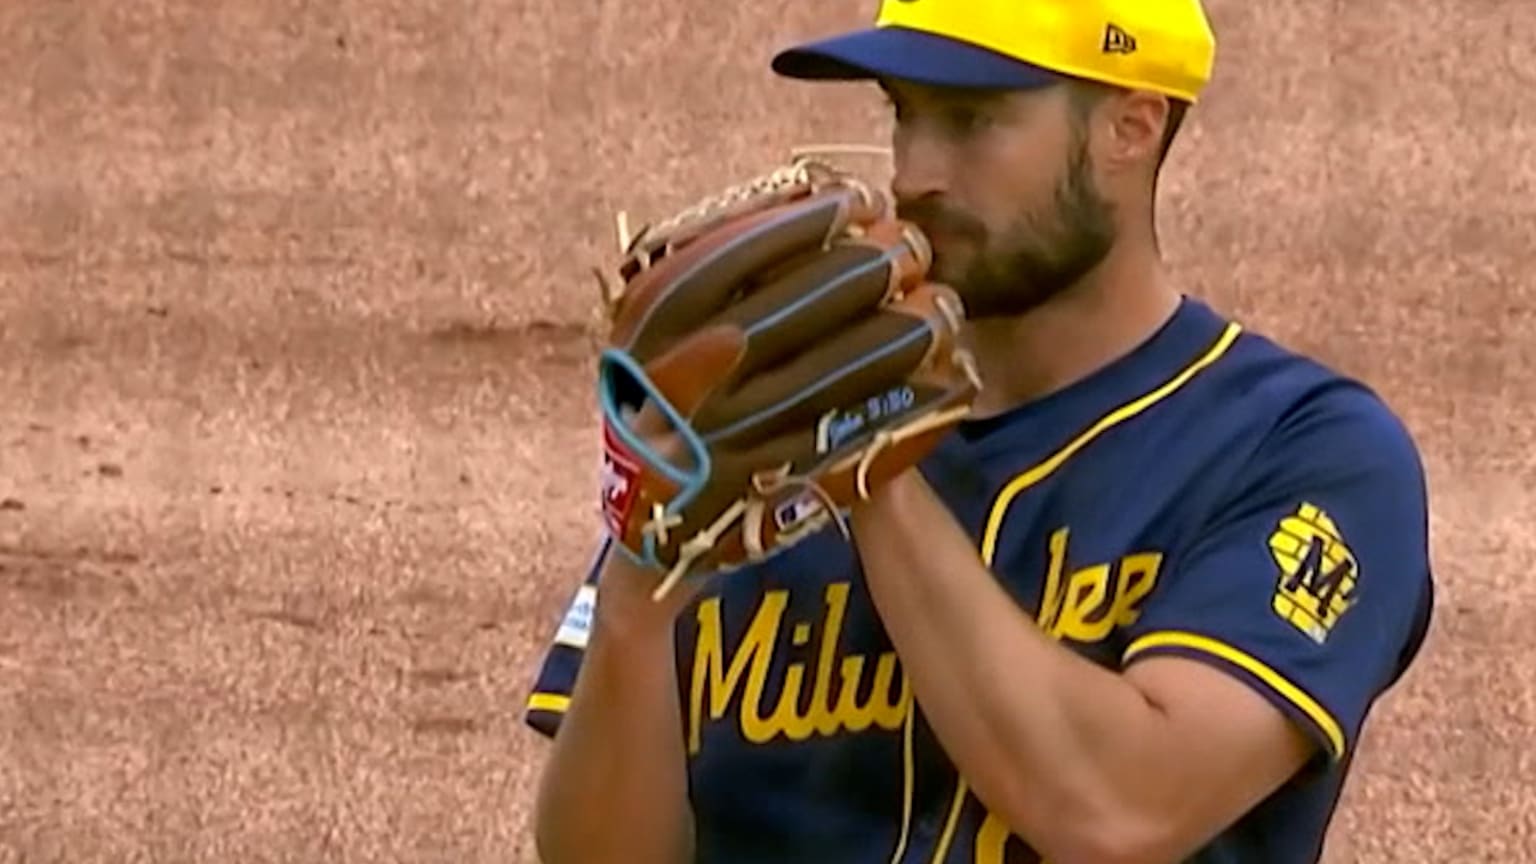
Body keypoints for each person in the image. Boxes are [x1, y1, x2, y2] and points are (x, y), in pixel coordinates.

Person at [522, 0, 1437, 861]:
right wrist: (639, 592)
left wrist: (870, 463)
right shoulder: (765, 414)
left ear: (1130, 127)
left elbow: (1120, 811)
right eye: (904, 113)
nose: (915, 172)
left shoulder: (1303, 453)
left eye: (971, 119)